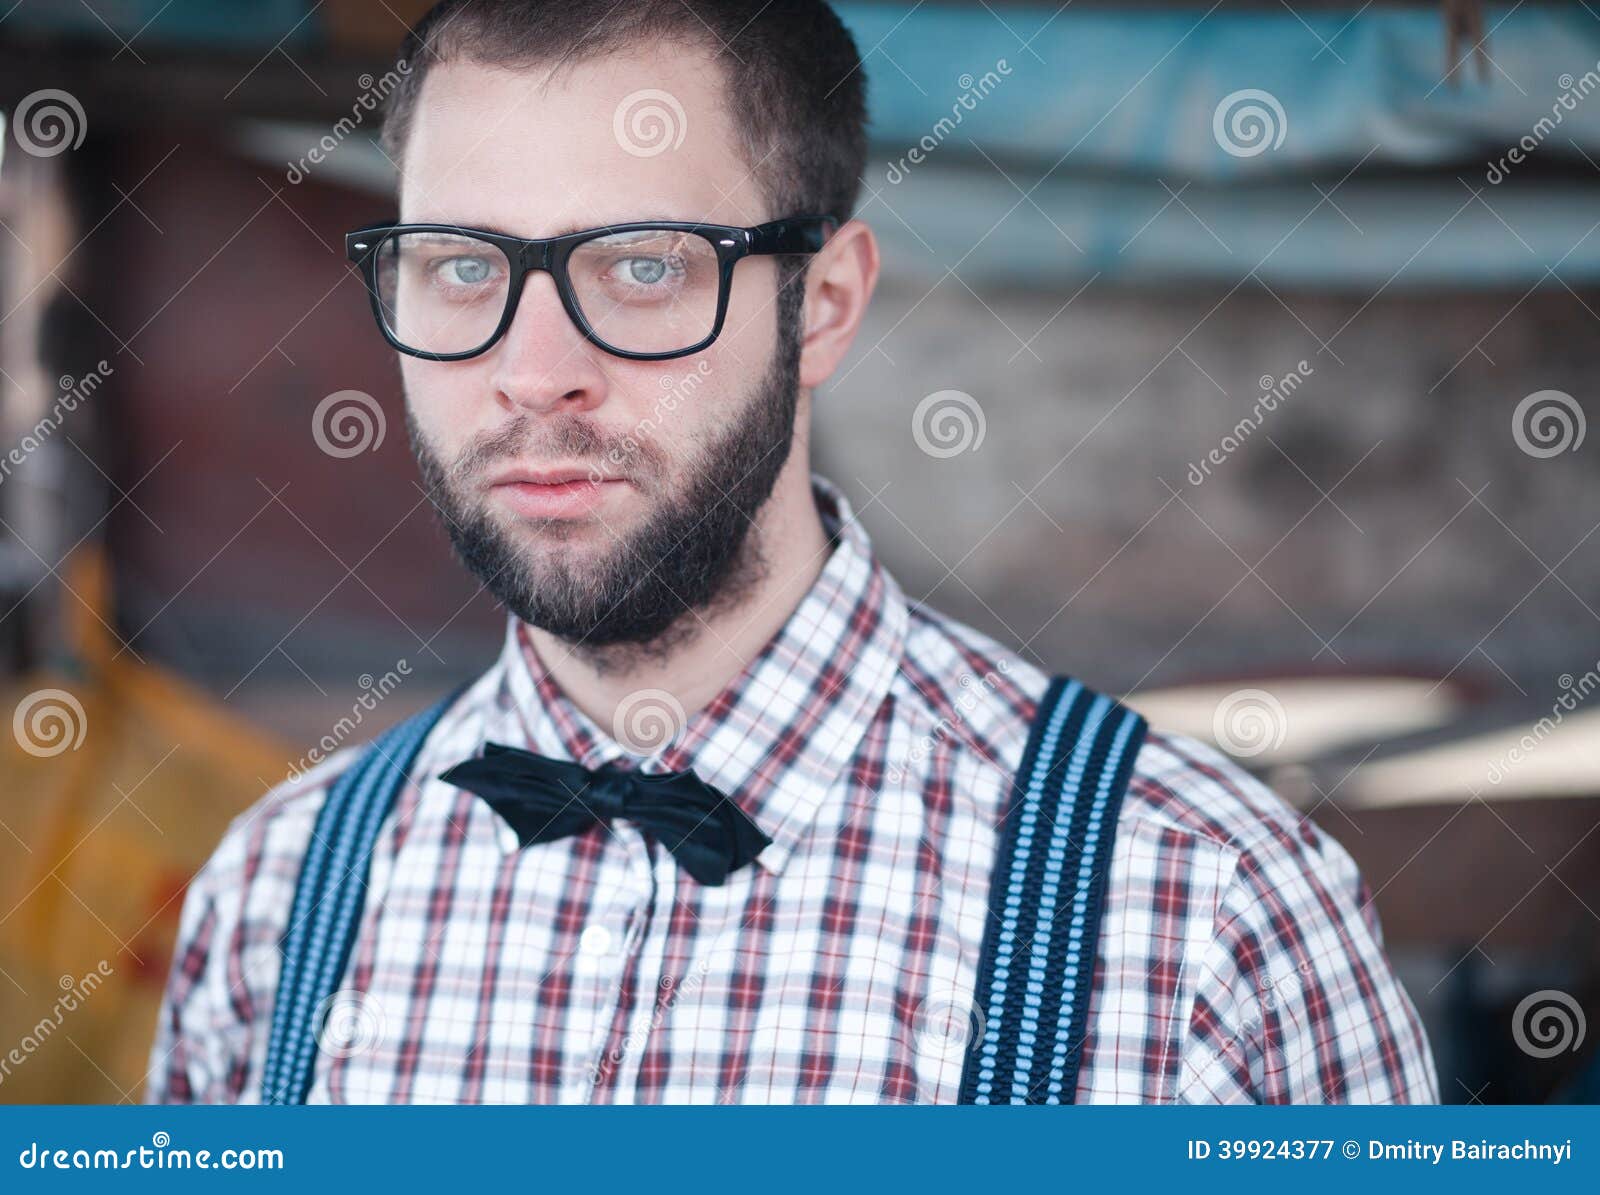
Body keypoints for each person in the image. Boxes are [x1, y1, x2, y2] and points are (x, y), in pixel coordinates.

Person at [145, 0, 1438, 1105]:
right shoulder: (277, 896)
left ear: (819, 307)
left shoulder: (1205, 904)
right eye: (460, 269)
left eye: (643, 267)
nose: (534, 377)